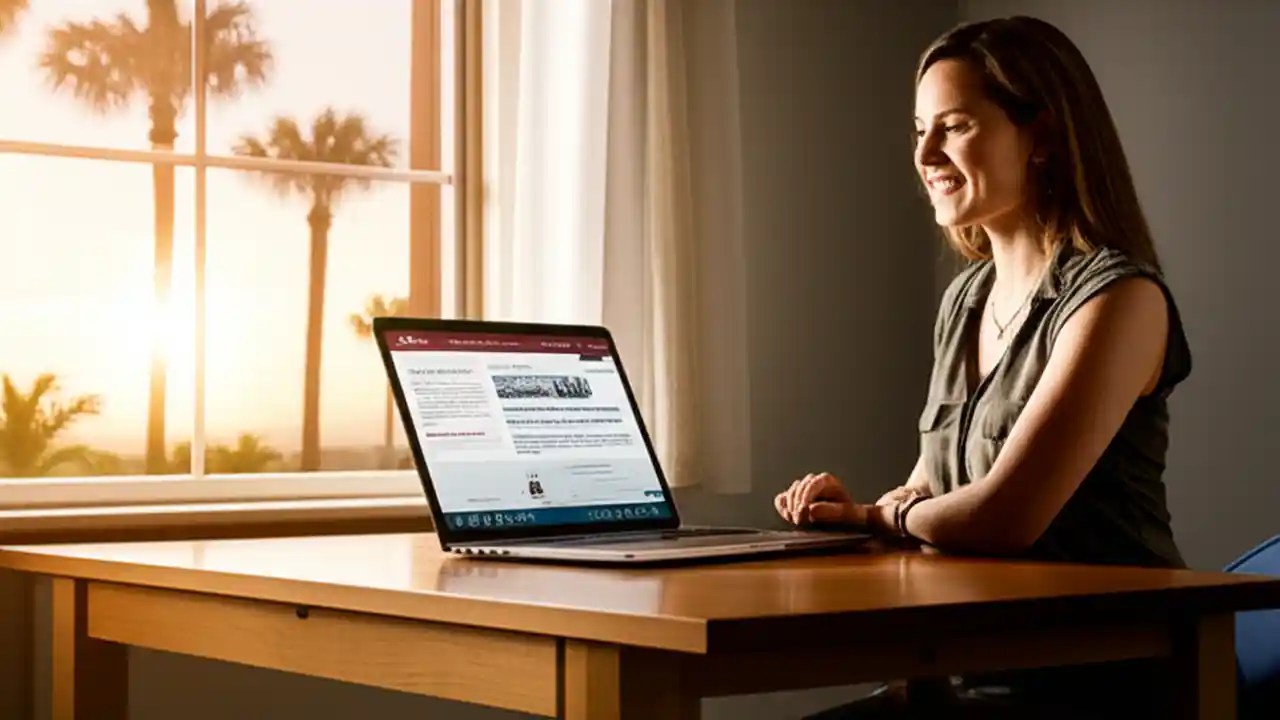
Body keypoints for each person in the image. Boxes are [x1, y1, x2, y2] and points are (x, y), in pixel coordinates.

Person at [774, 15, 1192, 719]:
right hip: (970, 668)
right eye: (919, 130)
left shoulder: (1120, 299)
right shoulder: (965, 298)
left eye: (955, 125)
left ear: (1044, 137)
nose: (925, 152)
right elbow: (928, 491)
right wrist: (852, 514)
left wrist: (885, 516)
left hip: (1103, 681)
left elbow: (1004, 516)